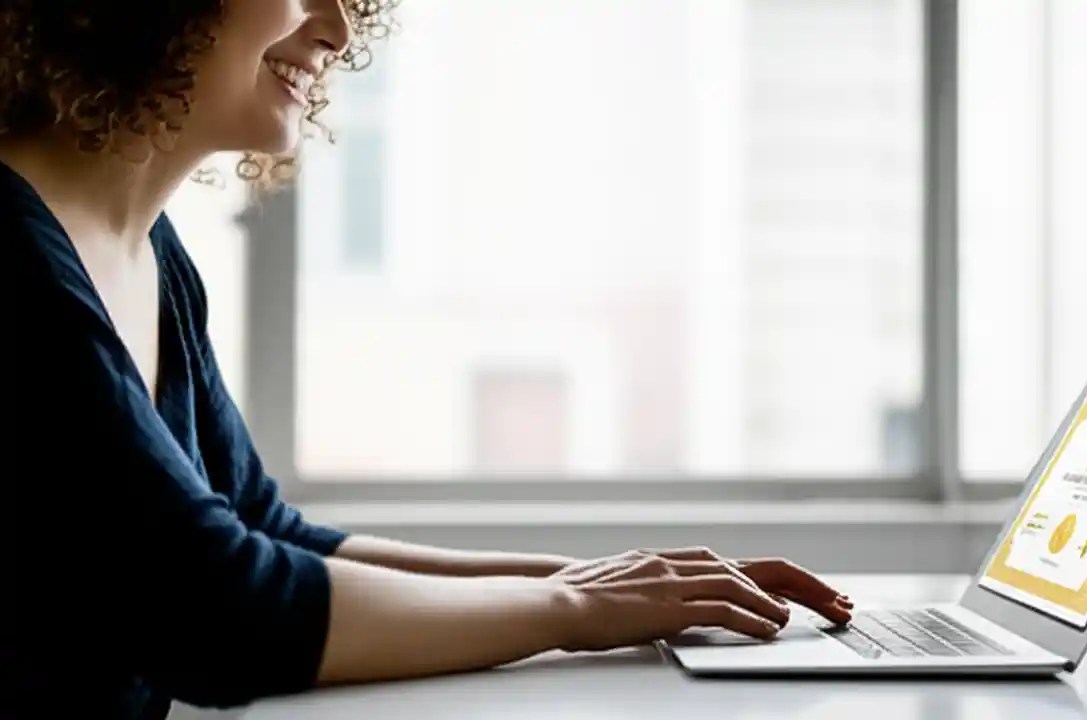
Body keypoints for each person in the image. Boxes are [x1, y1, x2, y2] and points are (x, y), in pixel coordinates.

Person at [0, 1, 854, 718]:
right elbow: (219, 613)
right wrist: (576, 607)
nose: (336, 26)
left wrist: (623, 586)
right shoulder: (12, 256)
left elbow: (263, 530)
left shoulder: (148, 253)